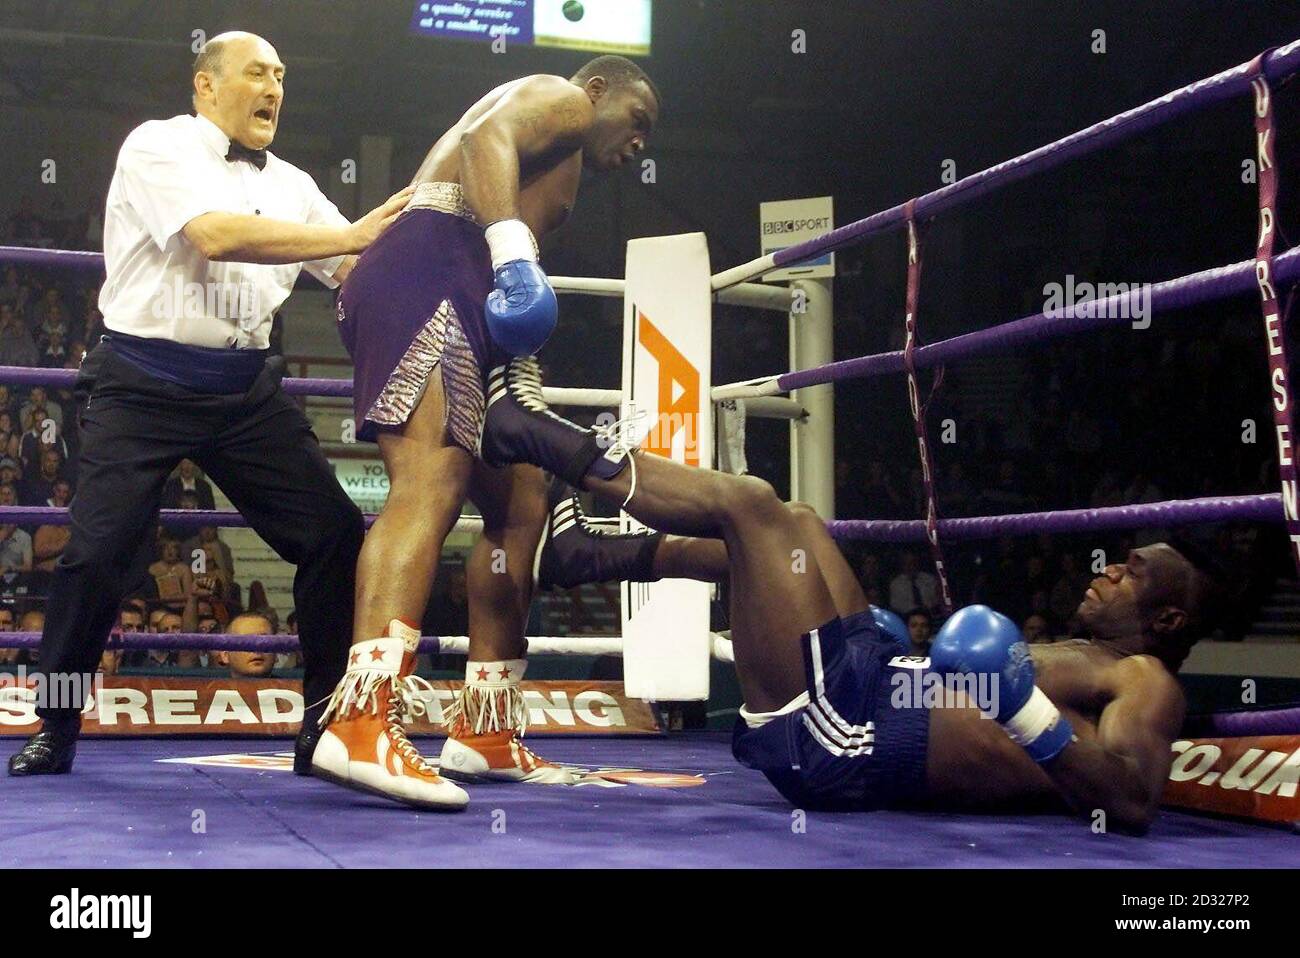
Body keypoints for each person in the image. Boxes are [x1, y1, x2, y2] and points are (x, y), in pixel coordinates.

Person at [478, 389, 1226, 830]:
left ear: (1166, 621)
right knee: (799, 526)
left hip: (841, 737)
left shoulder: (1144, 680)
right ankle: (587, 559)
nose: (1108, 573)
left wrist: (1018, 703)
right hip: (867, 680)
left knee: (754, 507)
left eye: (1131, 574)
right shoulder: (1085, 653)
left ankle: (544, 438)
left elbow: (1129, 801)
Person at [8, 30, 411, 778]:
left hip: (243, 391)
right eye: (257, 73)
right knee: (93, 557)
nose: (274, 89)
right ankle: (57, 722)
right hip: (141, 383)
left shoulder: (291, 184)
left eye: (282, 76)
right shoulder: (158, 146)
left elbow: (351, 266)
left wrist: (440, 276)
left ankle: (323, 726)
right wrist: (349, 232)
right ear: (205, 84)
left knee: (331, 532)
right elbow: (214, 236)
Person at [316, 55, 660, 808]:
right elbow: (483, 138)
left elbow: (512, 290)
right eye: (638, 121)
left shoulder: (556, 171)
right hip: (426, 276)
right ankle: (362, 721)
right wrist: (510, 254)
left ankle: (486, 727)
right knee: (429, 484)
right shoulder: (563, 100)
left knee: (520, 501)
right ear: (600, 91)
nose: (641, 146)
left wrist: (521, 380)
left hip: (469, 307)